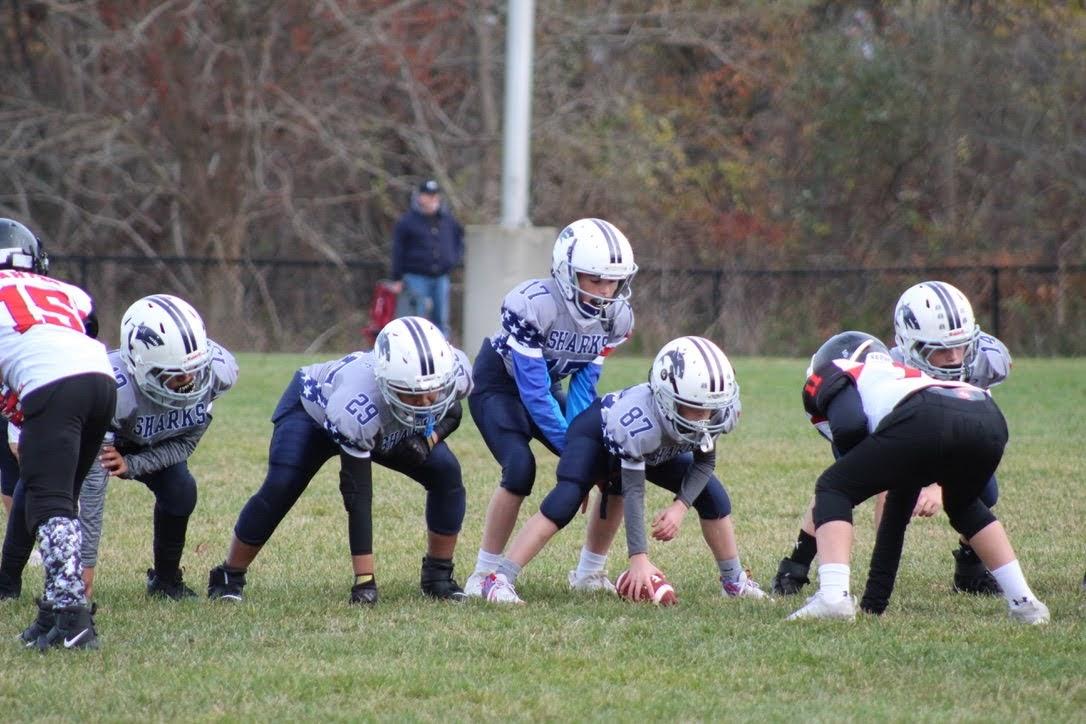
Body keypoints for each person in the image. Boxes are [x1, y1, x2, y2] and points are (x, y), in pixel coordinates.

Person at [771, 281, 1013, 602]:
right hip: (883, 429)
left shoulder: (985, 359)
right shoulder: (892, 366)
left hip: (950, 435)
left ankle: (971, 569)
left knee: (985, 490)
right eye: (940, 350)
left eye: (962, 346)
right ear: (911, 346)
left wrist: (939, 486)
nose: (955, 358)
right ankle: (797, 564)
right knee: (844, 486)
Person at [786, 331, 1048, 623]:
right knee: (965, 506)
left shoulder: (834, 372)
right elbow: (893, 524)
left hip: (925, 416)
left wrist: (858, 468)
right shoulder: (898, 377)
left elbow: (848, 425)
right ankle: (1025, 603)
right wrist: (874, 603)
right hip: (986, 414)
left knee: (832, 487)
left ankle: (833, 598)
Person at [207, 316, 472, 604]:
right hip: (312, 412)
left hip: (383, 421)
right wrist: (365, 581)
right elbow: (358, 495)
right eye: (412, 395)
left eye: (430, 394)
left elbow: (453, 413)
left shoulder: (452, 372)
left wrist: (426, 441)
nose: (425, 404)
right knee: (282, 485)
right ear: (388, 383)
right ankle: (228, 575)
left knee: (446, 472)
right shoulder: (360, 404)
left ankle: (438, 576)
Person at [480, 337, 766, 604]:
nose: (705, 419)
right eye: (694, 409)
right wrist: (638, 558)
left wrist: (680, 507)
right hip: (595, 437)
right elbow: (634, 490)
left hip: (653, 451)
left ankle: (733, 581)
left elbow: (704, 462)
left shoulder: (716, 410)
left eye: (711, 410)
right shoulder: (640, 423)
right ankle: (499, 578)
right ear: (667, 396)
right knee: (564, 501)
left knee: (713, 496)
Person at [464, 218, 637, 599]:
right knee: (520, 468)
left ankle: (590, 573)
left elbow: (583, 387)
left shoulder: (616, 318)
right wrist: (575, 454)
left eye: (613, 281)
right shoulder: (534, 305)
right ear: (565, 270)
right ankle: (484, 574)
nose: (606, 291)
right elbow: (534, 393)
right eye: (595, 279)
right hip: (500, 385)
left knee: (610, 465)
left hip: (547, 386)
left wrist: (585, 452)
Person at [0, 217, 116, 650]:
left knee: (49, 501)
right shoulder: (68, 291)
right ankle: (53, 611)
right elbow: (85, 326)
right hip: (102, 379)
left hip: (51, 382)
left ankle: (73, 617)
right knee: (61, 497)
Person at [389, 179, 464, 338]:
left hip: (441, 277)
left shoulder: (447, 220)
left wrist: (453, 259)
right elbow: (397, 250)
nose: (432, 200)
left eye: (434, 196)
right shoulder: (407, 222)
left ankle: (444, 353)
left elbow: (459, 240)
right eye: (428, 196)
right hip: (415, 276)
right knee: (415, 318)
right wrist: (397, 277)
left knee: (441, 320)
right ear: (419, 197)